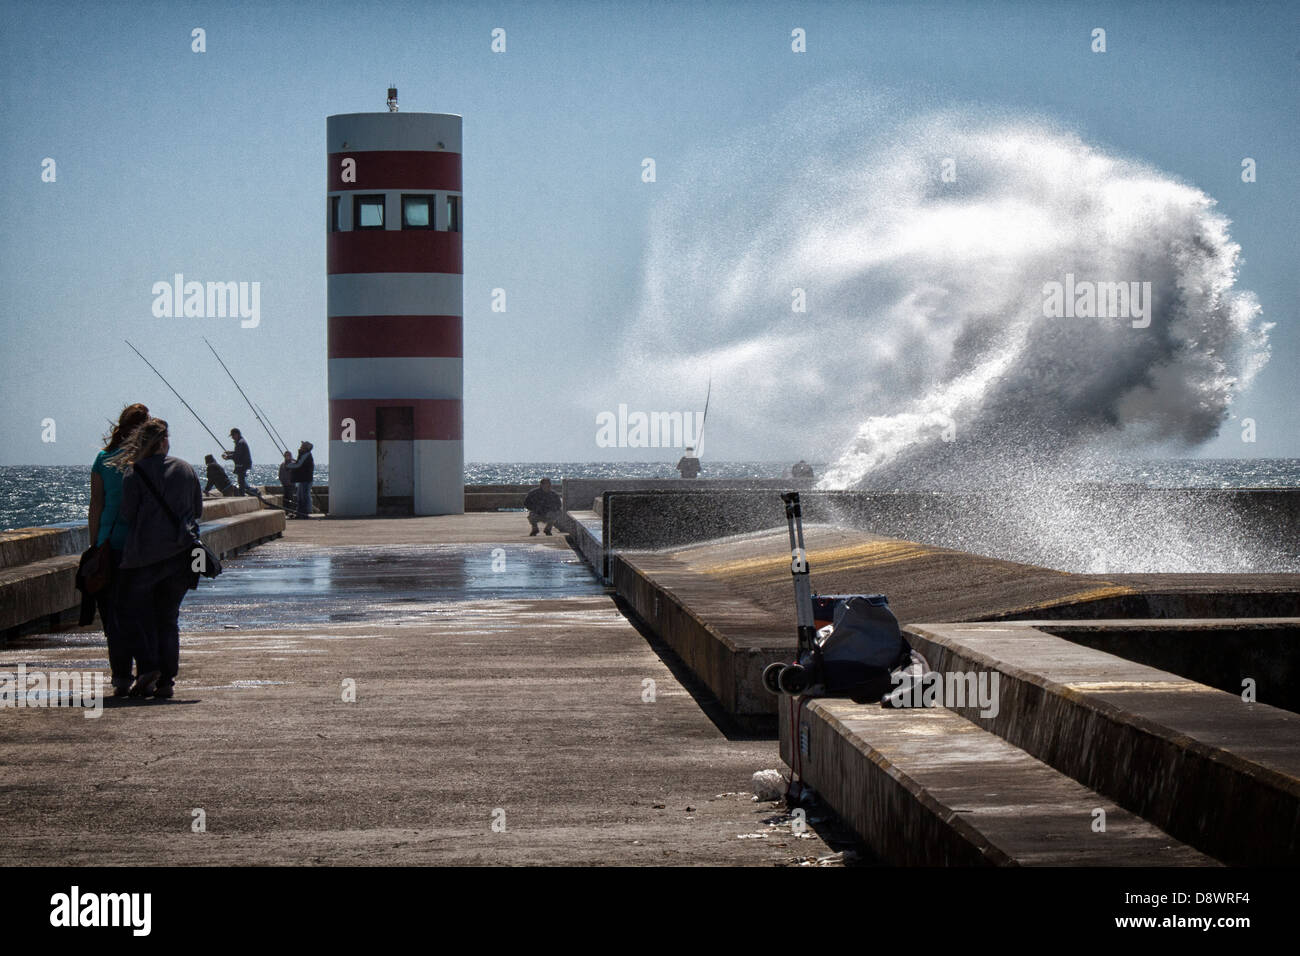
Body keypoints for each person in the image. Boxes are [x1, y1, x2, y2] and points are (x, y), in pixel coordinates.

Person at [113, 418, 204, 700]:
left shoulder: (135, 472)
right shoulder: (186, 469)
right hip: (180, 556)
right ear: (164, 441)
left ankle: (149, 667)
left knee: (136, 616)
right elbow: (197, 510)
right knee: (168, 619)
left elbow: (127, 514)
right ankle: (167, 681)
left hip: (143, 558)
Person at [88, 402, 149, 696]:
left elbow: (96, 505)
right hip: (140, 546)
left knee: (112, 617)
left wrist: (94, 544)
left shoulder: (102, 459)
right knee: (141, 612)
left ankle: (121, 677)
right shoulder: (145, 460)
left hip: (108, 545)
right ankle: (148, 670)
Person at [221, 428, 253, 496]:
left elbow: (237, 455)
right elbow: (237, 453)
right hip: (243, 464)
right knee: (242, 481)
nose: (232, 437)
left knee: (241, 481)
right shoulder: (240, 442)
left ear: (237, 434)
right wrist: (230, 452)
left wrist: (227, 457)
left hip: (242, 465)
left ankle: (244, 494)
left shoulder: (240, 442)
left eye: (233, 435)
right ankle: (247, 492)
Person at [288, 441, 314, 519]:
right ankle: (300, 511)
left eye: (303, 445)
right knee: (300, 496)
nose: (300, 446)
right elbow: (299, 463)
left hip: (305, 479)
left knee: (303, 496)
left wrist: (289, 465)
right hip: (304, 479)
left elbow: (299, 464)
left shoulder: (306, 455)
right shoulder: (304, 454)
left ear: (306, 447)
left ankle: (304, 512)